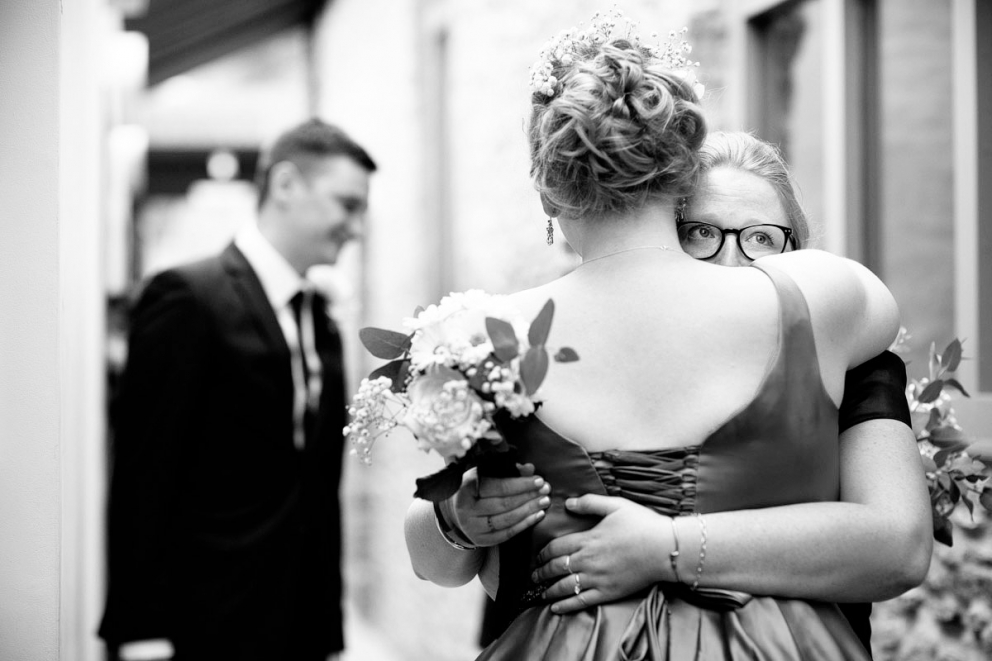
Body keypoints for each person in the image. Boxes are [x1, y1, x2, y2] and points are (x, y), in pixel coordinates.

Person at [404, 14, 931, 660]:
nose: (736, 260)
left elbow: (899, 540)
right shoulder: (820, 299)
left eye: (763, 240)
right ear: (682, 175)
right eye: (704, 232)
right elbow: (880, 317)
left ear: (547, 192)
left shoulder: (487, 339)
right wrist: (455, 517)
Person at [98, 118, 376, 661]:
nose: (356, 227)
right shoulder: (186, 297)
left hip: (301, 623)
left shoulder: (320, 317)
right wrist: (142, 632)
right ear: (286, 184)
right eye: (347, 204)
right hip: (203, 622)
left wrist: (327, 629)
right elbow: (141, 475)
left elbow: (315, 488)